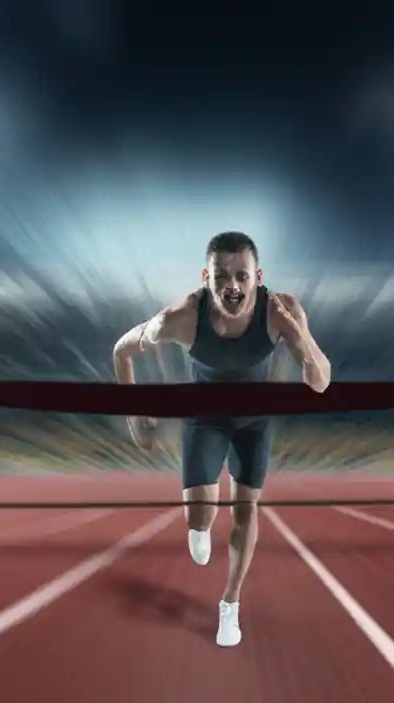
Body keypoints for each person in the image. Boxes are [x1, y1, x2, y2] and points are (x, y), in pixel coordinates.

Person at [111, 231, 331, 647]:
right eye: (221, 277)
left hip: (253, 424)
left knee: (246, 508)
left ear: (258, 278)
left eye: (242, 276)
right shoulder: (180, 318)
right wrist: (134, 416)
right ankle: (199, 525)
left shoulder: (280, 311)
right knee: (200, 521)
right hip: (206, 421)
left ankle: (230, 603)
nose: (232, 286)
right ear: (205, 278)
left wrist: (296, 334)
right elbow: (121, 352)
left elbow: (320, 382)